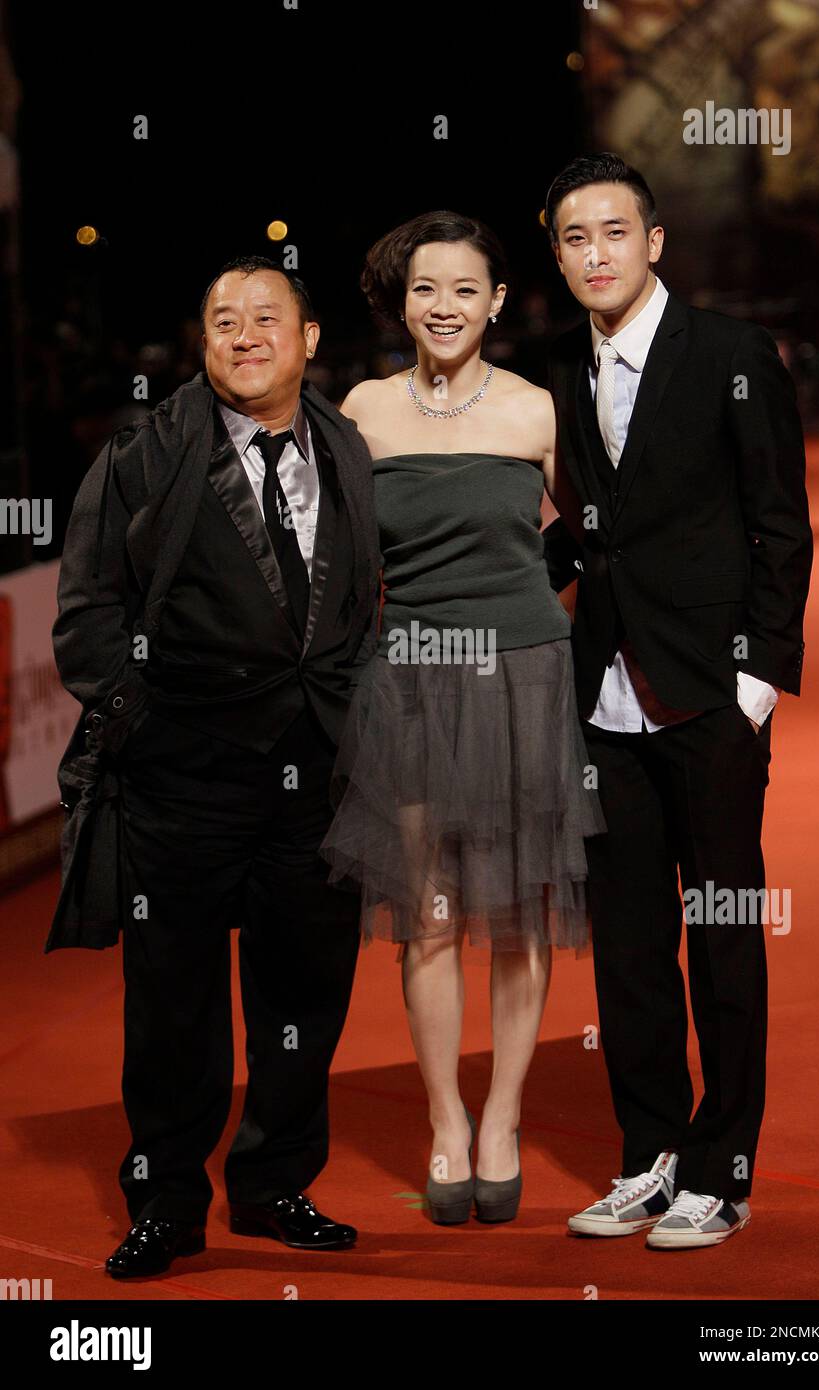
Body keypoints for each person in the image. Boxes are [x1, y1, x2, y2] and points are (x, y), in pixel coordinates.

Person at [48, 256, 381, 1277]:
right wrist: (141, 722)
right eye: (223, 321)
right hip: (182, 773)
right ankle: (167, 1203)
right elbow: (85, 612)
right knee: (172, 1006)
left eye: (265, 318)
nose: (244, 336)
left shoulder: (346, 446)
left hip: (317, 775)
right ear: (201, 344)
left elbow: (361, 596)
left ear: (309, 338)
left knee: (302, 997)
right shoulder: (145, 453)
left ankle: (276, 1183)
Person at [542, 154, 813, 1248]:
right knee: (628, 940)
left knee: (723, 933)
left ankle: (720, 1165)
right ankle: (646, 1158)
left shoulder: (730, 354)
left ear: (653, 241)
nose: (595, 252)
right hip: (600, 693)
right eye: (572, 238)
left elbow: (778, 522)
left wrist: (753, 681)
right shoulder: (559, 369)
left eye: (613, 231)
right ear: (557, 256)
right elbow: (589, 526)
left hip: (707, 694)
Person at [318, 211, 606, 1226]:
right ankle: (444, 1116)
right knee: (430, 912)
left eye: (462, 290)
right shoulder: (361, 410)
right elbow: (339, 560)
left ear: (495, 302)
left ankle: (502, 1118)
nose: (442, 307)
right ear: (404, 305)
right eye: (423, 290)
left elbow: (586, 536)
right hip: (410, 681)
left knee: (521, 915)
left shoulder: (535, 410)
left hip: (523, 672)